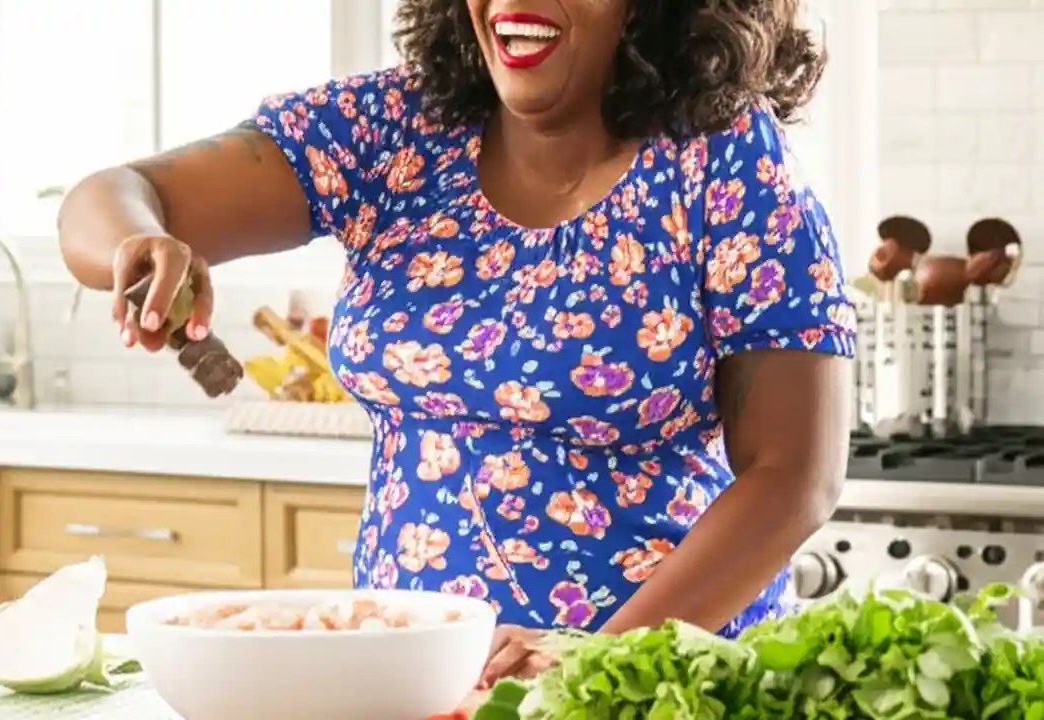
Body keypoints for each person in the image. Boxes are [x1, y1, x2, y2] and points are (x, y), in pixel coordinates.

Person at [58, 0, 854, 687]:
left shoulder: (726, 162)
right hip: (421, 678)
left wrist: (594, 662)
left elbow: (795, 475)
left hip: (651, 684)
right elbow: (117, 194)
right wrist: (139, 243)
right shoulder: (395, 133)